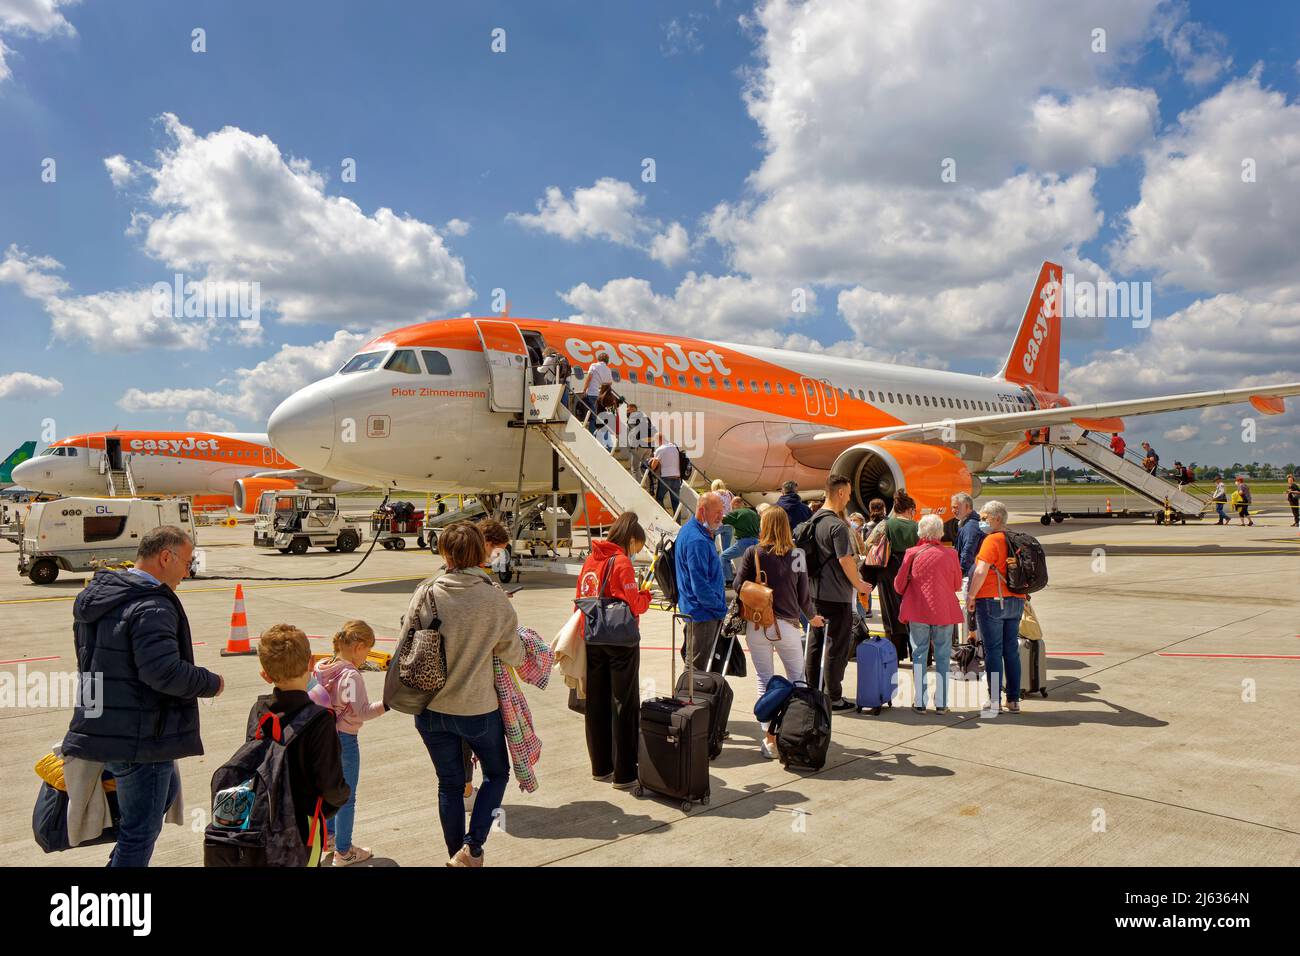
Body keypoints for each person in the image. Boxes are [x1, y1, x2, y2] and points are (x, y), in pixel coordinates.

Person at [62, 526, 224, 867]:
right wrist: (211, 682)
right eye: (187, 561)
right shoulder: (152, 606)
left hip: (107, 727)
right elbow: (162, 672)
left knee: (158, 801)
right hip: (140, 736)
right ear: (166, 557)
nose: (188, 571)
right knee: (141, 830)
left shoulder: (104, 596)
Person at [409, 521, 526, 867]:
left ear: (445, 553)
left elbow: (407, 641)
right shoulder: (493, 597)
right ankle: (473, 848)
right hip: (476, 708)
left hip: (430, 708)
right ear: (481, 552)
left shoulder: (426, 591)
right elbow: (514, 653)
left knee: (448, 784)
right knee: (497, 773)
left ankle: (455, 855)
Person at [733, 507, 824, 758]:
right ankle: (796, 732)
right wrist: (812, 617)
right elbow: (804, 595)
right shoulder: (797, 554)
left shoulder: (754, 552)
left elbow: (738, 584)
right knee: (798, 680)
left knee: (765, 680)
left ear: (765, 525)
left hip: (758, 623)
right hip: (787, 625)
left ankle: (769, 738)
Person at [253, 624, 352, 854]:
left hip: (264, 817)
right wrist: (331, 804)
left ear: (265, 675)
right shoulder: (320, 720)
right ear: (310, 663)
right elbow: (331, 784)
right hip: (304, 825)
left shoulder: (259, 710)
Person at [576, 513, 651, 789]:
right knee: (625, 703)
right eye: (637, 548)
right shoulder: (620, 562)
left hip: (593, 635)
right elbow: (634, 604)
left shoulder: (590, 559)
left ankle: (601, 767)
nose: (635, 554)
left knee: (596, 702)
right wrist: (646, 595)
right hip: (620, 641)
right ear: (630, 540)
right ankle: (625, 774)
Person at [310, 620, 387, 866]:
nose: (367, 656)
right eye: (368, 650)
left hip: (323, 740)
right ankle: (344, 852)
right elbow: (361, 712)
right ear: (358, 646)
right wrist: (388, 704)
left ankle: (330, 837)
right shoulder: (351, 676)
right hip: (345, 740)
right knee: (347, 797)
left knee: (329, 791)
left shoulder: (321, 667)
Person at [803, 476, 873, 711]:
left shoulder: (813, 520)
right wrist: (859, 584)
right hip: (836, 594)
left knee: (815, 643)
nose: (851, 498)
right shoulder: (837, 526)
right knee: (836, 647)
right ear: (840, 493)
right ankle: (833, 696)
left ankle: (812, 689)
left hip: (814, 593)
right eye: (850, 493)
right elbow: (845, 560)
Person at [893, 515, 963, 713]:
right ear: (941, 532)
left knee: (919, 655)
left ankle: (920, 701)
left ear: (920, 531)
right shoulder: (951, 554)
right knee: (942, 656)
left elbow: (898, 585)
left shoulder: (912, 553)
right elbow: (957, 584)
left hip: (918, 610)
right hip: (943, 611)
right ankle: (942, 702)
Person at [965, 500, 1024, 716]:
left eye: (984, 518)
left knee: (993, 652)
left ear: (996, 518)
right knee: (1011, 651)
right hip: (1016, 600)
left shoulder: (992, 540)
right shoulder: (1015, 539)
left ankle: (995, 700)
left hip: (992, 601)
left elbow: (980, 571)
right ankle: (1014, 700)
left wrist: (971, 595)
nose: (981, 522)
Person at [674, 492, 729, 672]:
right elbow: (700, 585)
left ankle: (688, 697)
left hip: (698, 611)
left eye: (722, 512)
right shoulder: (697, 540)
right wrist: (720, 609)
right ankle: (689, 699)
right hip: (703, 614)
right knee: (697, 668)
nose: (721, 517)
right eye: (716, 512)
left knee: (696, 665)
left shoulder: (692, 531)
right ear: (702, 511)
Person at [877, 489, 920, 662]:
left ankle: (897, 652)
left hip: (890, 570)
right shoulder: (916, 526)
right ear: (910, 509)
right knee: (913, 612)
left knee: (892, 612)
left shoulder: (887, 524)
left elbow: (871, 542)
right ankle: (918, 652)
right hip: (912, 568)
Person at [720, 501, 760, 577]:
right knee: (752, 561)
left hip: (744, 542)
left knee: (723, 556)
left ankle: (728, 579)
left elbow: (721, 520)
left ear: (735, 504)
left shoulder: (737, 512)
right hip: (756, 541)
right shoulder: (753, 513)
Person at [579, 350, 615, 436]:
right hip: (601, 396)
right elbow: (610, 383)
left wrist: (584, 390)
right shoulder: (608, 370)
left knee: (593, 416)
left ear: (598, 359)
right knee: (600, 416)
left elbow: (589, 378)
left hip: (592, 393)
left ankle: (593, 435)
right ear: (607, 361)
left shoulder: (594, 366)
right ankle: (602, 435)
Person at [651, 437, 684, 513]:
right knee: (676, 503)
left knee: (659, 499)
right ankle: (677, 522)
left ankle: (667, 515)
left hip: (666, 479)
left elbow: (653, 466)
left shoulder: (660, 449)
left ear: (659, 440)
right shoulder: (674, 447)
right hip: (676, 479)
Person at [712, 479, 736, 550]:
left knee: (710, 545)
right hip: (728, 523)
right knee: (726, 549)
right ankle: (724, 561)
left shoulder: (713, 494)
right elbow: (735, 504)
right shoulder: (729, 493)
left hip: (717, 523)